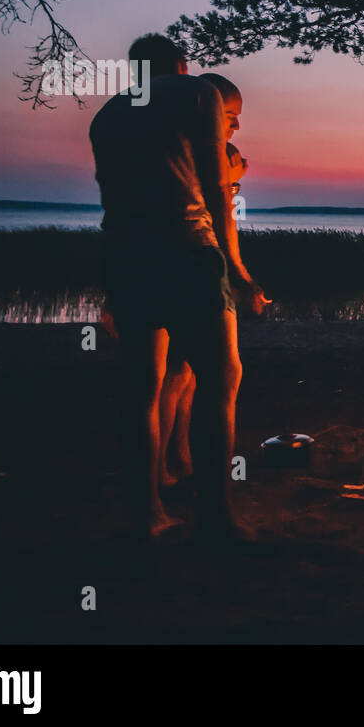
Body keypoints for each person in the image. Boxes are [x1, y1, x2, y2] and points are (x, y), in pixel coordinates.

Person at [89, 33, 268, 542]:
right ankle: (217, 517)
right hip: (186, 251)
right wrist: (236, 267)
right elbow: (214, 188)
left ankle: (146, 515)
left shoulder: (107, 115)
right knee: (221, 377)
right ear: (182, 67)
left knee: (141, 387)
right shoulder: (196, 95)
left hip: (123, 254)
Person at [157, 74, 252, 490]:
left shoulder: (190, 148)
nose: (234, 124)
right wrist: (237, 271)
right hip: (191, 260)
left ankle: (180, 456)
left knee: (188, 375)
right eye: (229, 115)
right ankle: (164, 469)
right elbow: (215, 203)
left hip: (179, 259)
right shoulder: (197, 152)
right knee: (179, 373)